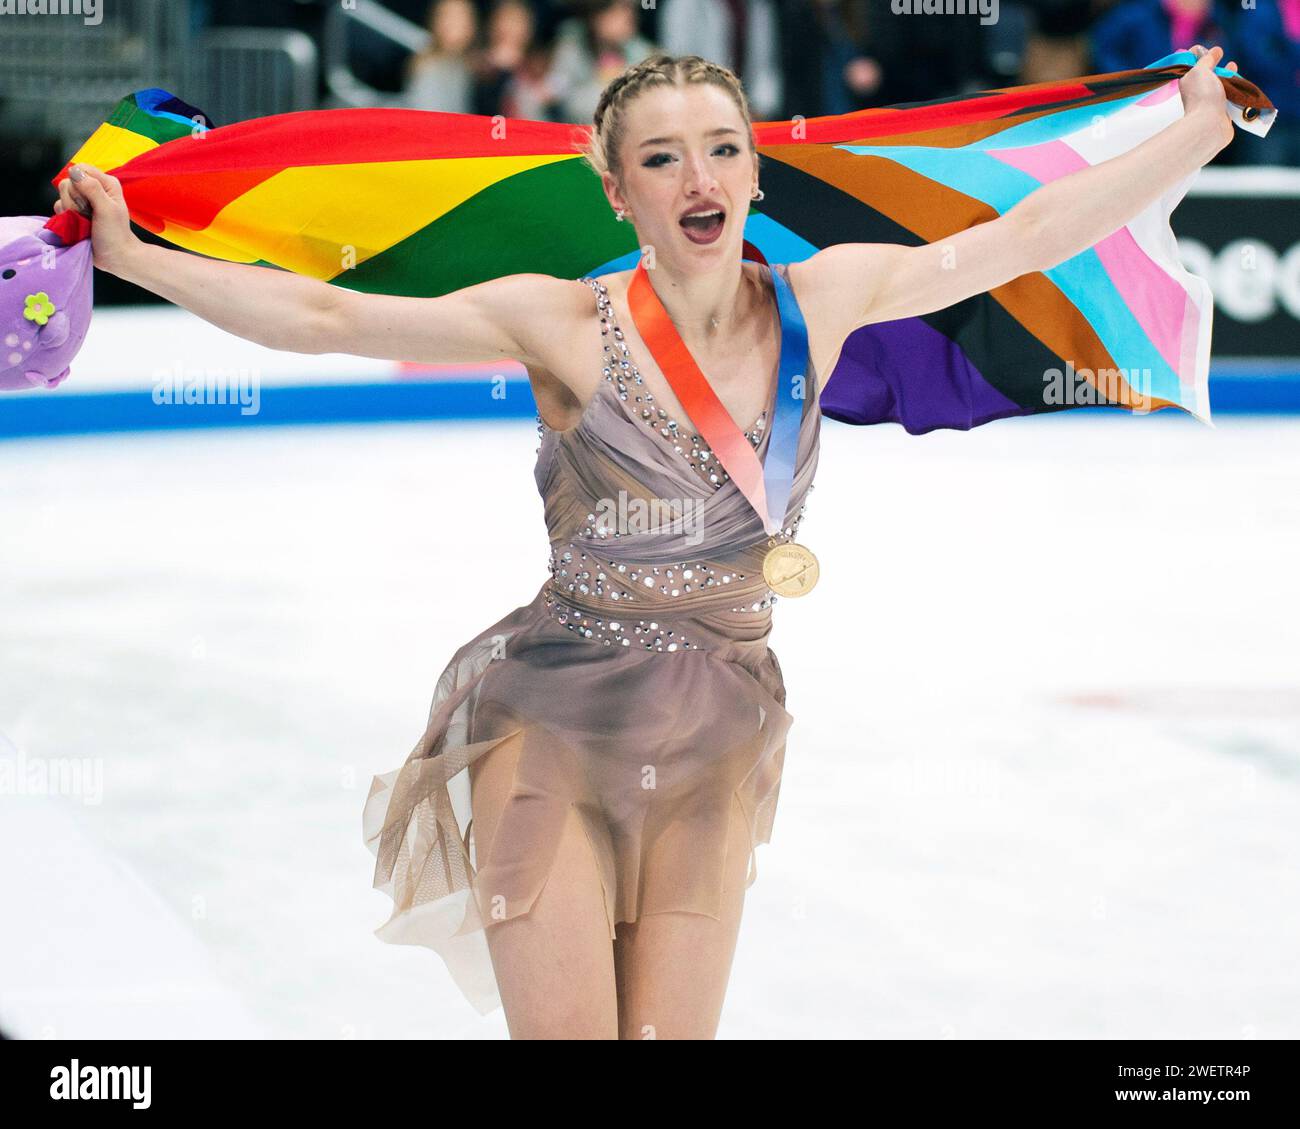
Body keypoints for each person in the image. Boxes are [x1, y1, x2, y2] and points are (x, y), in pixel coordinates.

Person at [56, 46, 1238, 1039]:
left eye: (721, 148)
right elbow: (324, 314)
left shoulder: (822, 298)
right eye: (661, 157)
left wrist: (1194, 132)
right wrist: (137, 259)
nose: (697, 175)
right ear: (615, 190)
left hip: (721, 729)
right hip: (555, 731)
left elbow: (1024, 234)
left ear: (755, 171)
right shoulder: (560, 320)